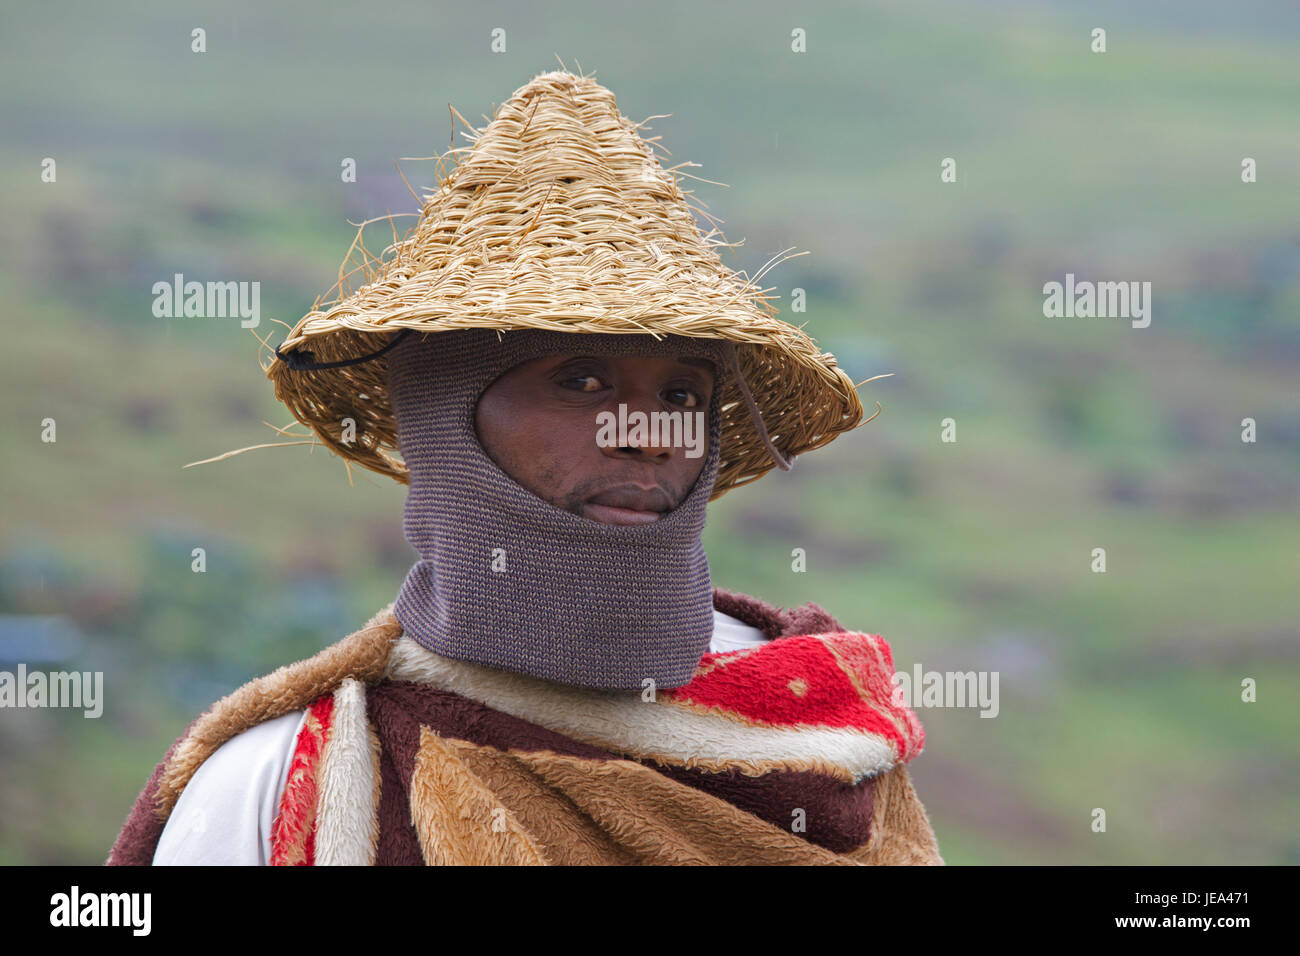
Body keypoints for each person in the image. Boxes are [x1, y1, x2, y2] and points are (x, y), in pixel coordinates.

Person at [107, 68, 943, 866]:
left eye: (683, 392)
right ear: (444, 420)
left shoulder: (830, 742)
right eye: (579, 380)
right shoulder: (278, 787)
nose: (647, 432)